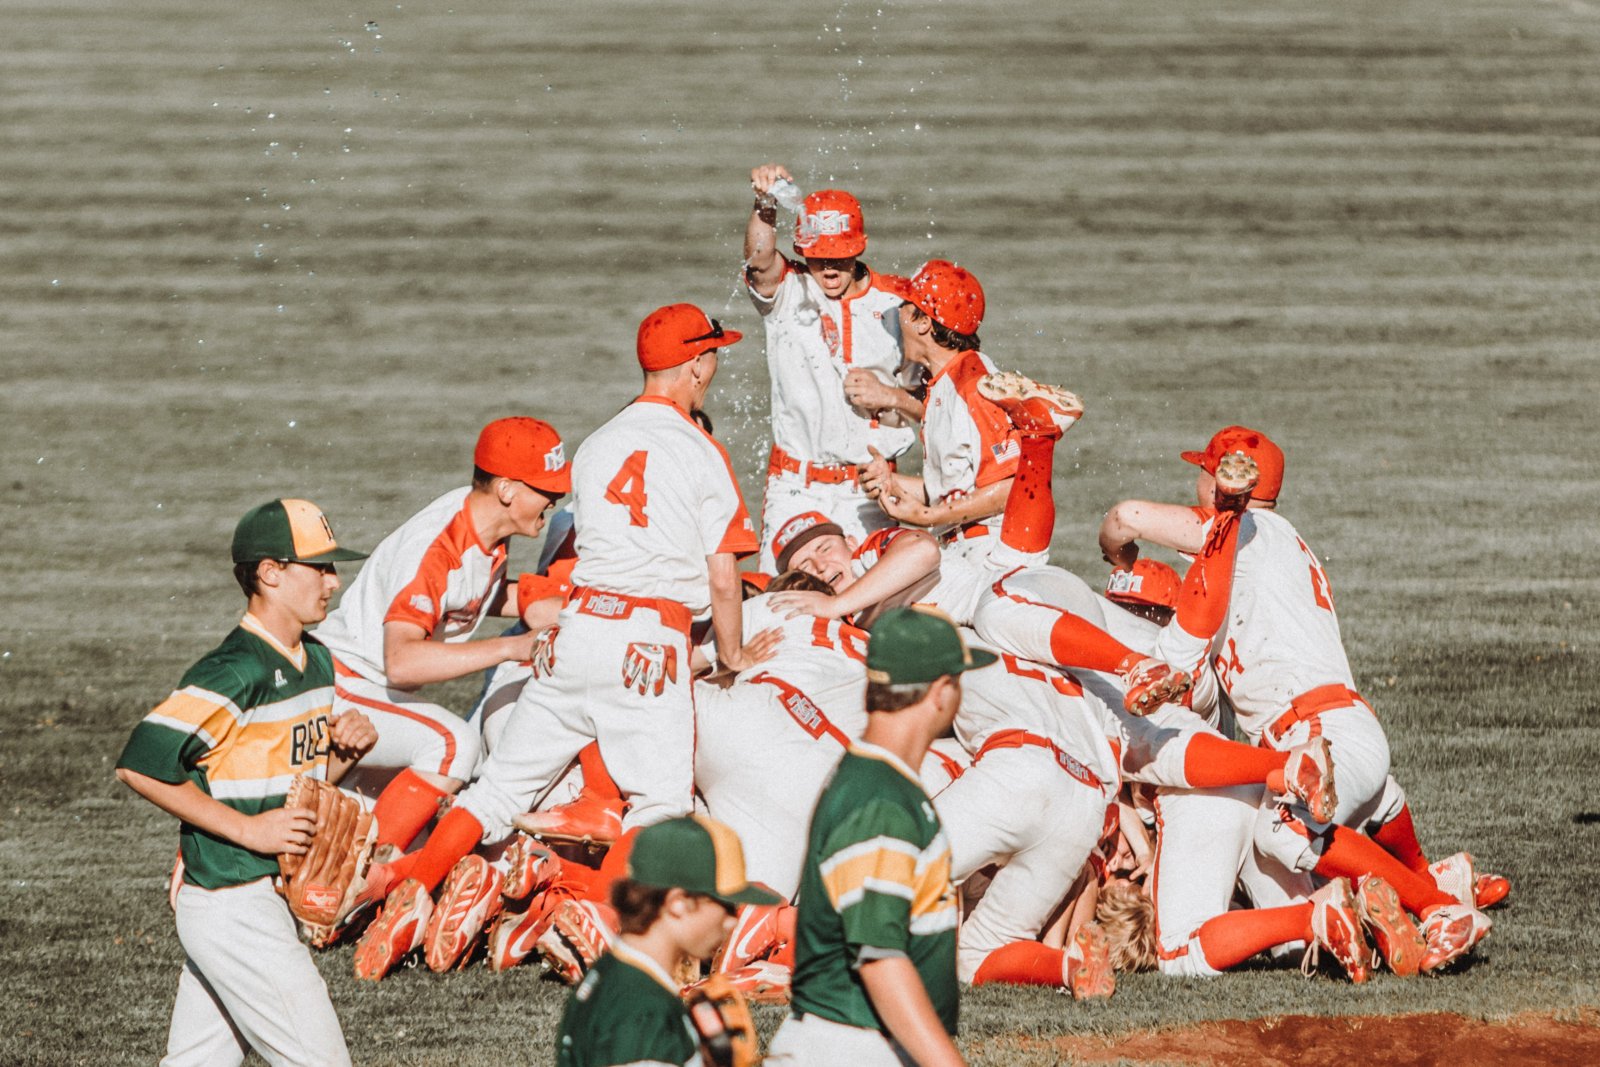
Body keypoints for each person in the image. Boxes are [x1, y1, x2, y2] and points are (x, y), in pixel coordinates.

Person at [353, 302, 769, 981]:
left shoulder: (599, 442)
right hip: (647, 639)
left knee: (493, 790)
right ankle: (599, 909)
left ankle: (412, 888)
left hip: (577, 630)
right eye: (713, 354)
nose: (714, 365)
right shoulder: (701, 446)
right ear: (697, 364)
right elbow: (725, 578)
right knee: (661, 804)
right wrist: (732, 656)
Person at [1101, 426, 1493, 973]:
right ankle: (1428, 880)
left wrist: (1116, 554)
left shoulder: (1245, 530)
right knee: (1350, 809)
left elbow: (1125, 517)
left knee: (1283, 831)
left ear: (1222, 484)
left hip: (1319, 727)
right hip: (1335, 729)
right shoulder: (1275, 545)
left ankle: (1439, 909)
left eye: (1202, 471)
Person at [115, 499, 376, 1067]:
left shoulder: (318, 661)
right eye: (320, 568)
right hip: (234, 903)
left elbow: (292, 789)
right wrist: (248, 831)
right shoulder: (236, 669)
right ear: (270, 573)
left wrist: (344, 758)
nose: (334, 582)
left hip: (259, 898)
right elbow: (141, 762)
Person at [314, 416, 571, 855]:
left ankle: (357, 897)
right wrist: (511, 646)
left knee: (407, 836)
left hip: (374, 689)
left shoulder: (487, 528)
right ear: (507, 489)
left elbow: (467, 597)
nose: (556, 499)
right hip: (342, 681)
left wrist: (547, 605)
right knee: (452, 744)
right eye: (546, 489)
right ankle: (359, 881)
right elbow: (403, 660)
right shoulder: (436, 546)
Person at [767, 607, 994, 1067]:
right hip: (851, 1045)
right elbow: (879, 957)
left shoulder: (872, 780)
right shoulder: (880, 802)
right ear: (941, 691)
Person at [745, 163, 925, 570]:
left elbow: (941, 408)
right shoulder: (789, 290)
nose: (828, 269)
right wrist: (764, 204)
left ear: (859, 249)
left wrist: (890, 396)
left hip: (871, 488)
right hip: (795, 486)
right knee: (782, 605)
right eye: (818, 257)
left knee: (871, 611)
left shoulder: (900, 304)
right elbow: (760, 261)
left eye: (840, 258)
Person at [555, 815, 781, 1067]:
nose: (732, 921)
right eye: (726, 906)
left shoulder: (610, 972)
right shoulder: (644, 1012)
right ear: (678, 903)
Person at [860, 260, 1037, 564]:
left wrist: (930, 515)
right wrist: (892, 482)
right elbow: (954, 490)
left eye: (905, 304)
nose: (897, 312)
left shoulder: (975, 386)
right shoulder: (944, 383)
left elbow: (1013, 487)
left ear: (922, 323)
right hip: (966, 548)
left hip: (993, 558)